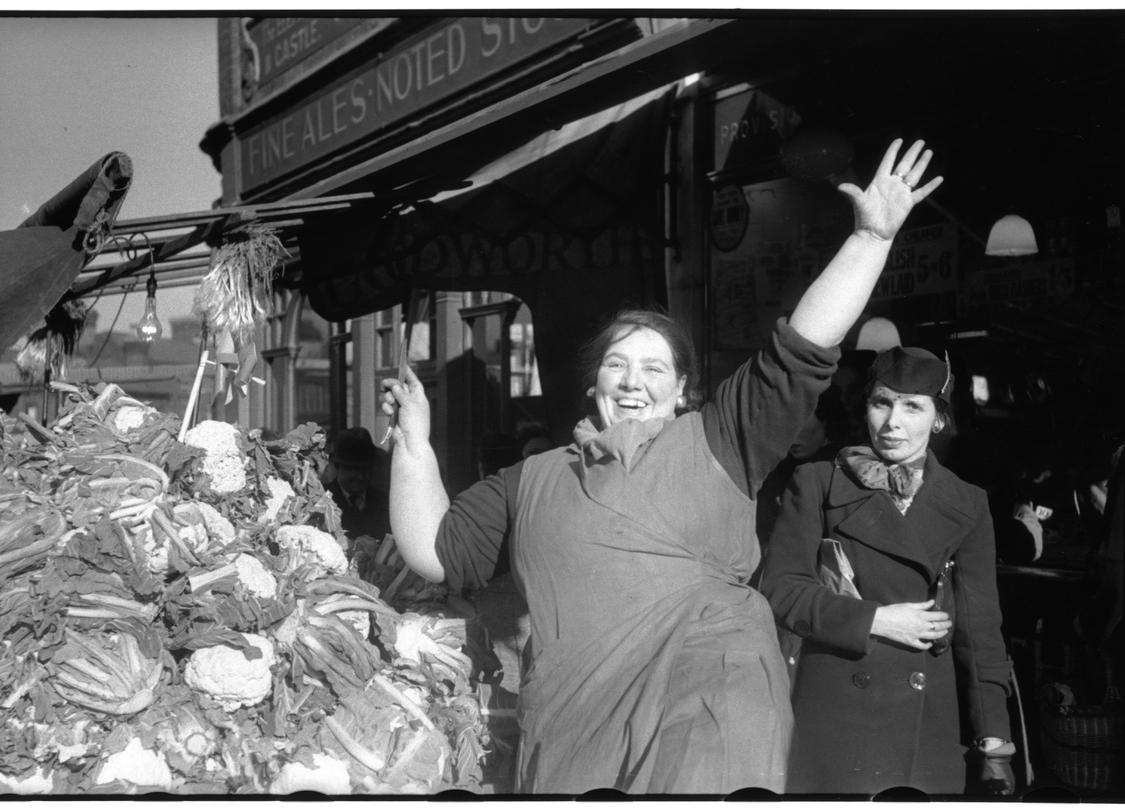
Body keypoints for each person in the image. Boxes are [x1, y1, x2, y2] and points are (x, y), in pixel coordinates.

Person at [381, 139, 942, 794]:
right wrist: (414, 447)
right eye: (615, 365)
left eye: (653, 368)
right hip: (574, 743)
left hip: (709, 718)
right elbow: (436, 552)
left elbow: (802, 348)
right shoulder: (531, 481)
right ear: (592, 385)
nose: (630, 381)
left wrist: (871, 241)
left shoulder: (722, 438)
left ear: (682, 391)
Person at [760, 346, 1015, 796]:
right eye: (882, 402)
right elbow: (780, 589)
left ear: (938, 419)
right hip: (832, 717)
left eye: (912, 406)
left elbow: (980, 633)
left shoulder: (968, 504)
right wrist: (878, 620)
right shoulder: (817, 482)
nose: (892, 422)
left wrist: (994, 740)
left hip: (929, 725)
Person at [324, 427, 392, 541]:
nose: (360, 477)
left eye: (365, 469)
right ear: (338, 466)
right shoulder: (321, 500)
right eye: (354, 469)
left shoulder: (385, 503)